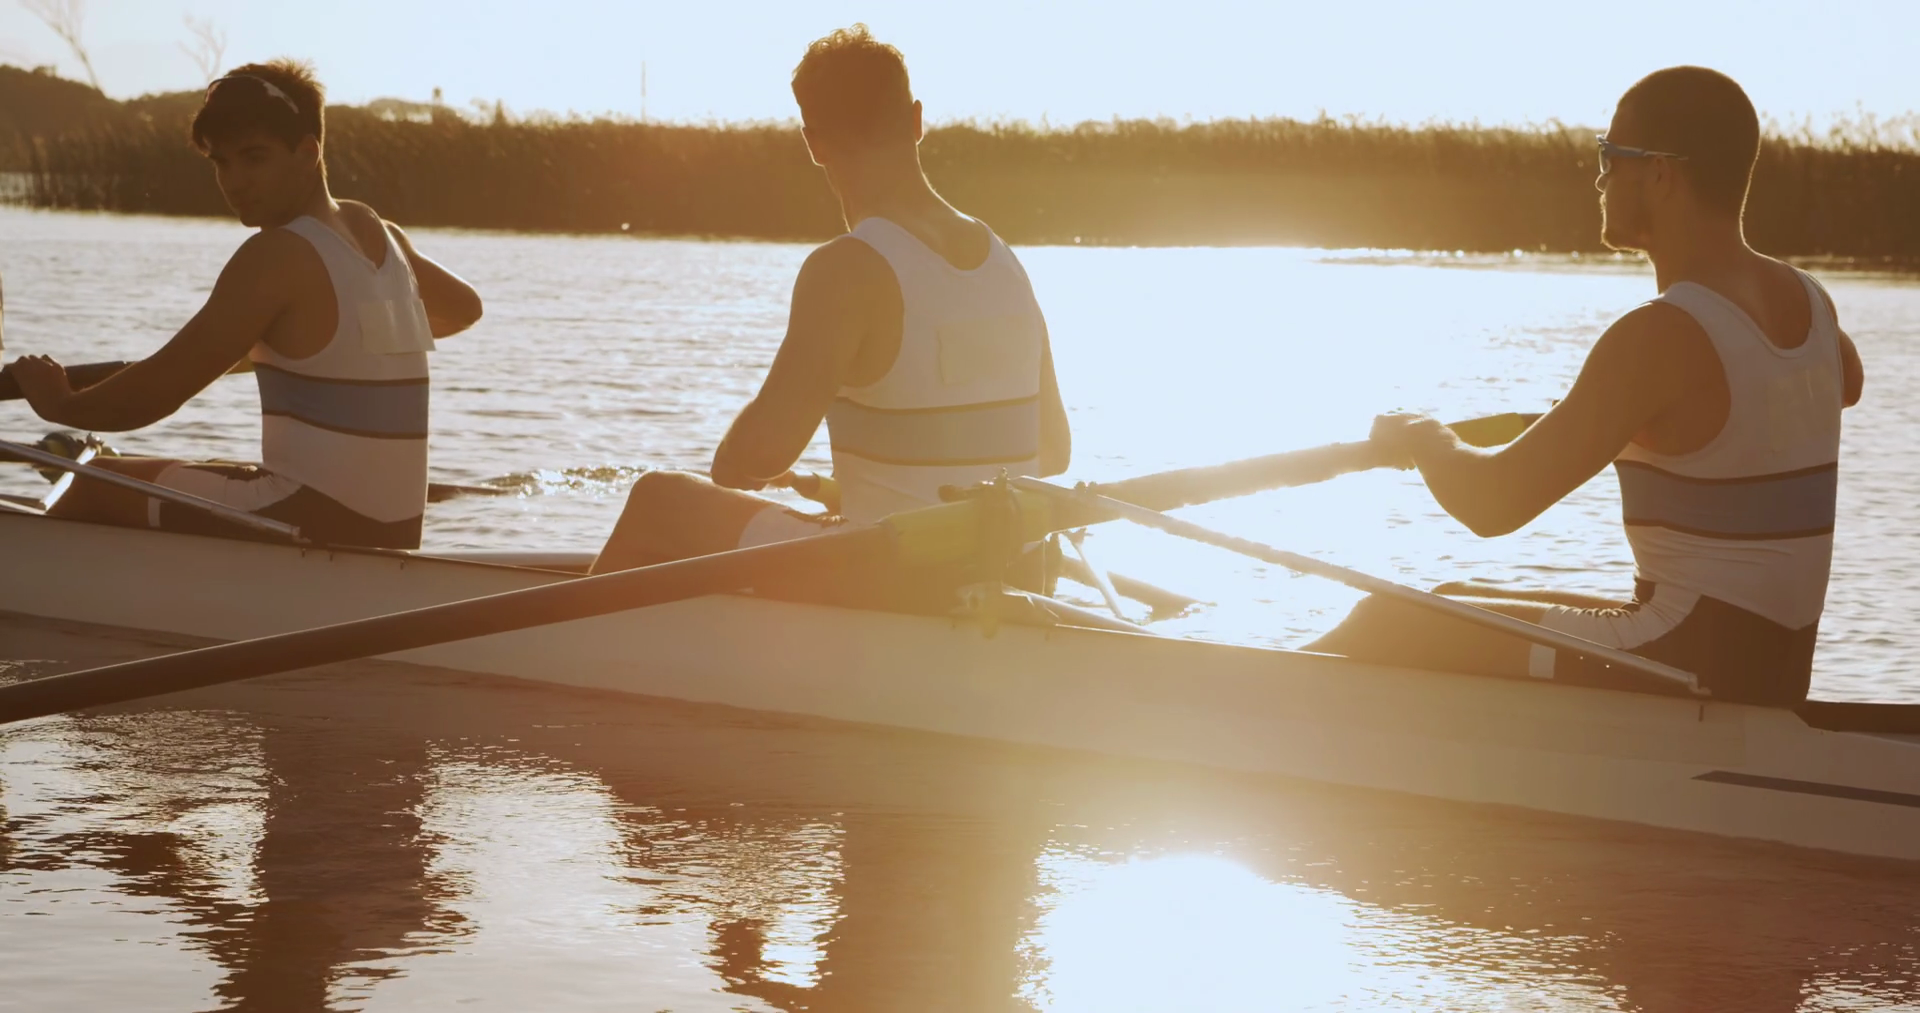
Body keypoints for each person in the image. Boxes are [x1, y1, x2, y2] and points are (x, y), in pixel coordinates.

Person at [1307, 67, 1864, 706]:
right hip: (1769, 670)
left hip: (1688, 664)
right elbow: (1843, 384)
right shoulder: (1811, 302)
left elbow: (1492, 504)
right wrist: (1621, 416)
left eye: (1609, 155)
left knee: (1389, 620)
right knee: (1449, 603)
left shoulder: (1660, 334)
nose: (1600, 178)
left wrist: (1425, 437)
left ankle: (1234, 716)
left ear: (1660, 173)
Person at [592, 25, 1070, 574]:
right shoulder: (1004, 262)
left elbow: (746, 463)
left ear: (813, 143)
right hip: (1019, 569)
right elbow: (1053, 452)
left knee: (658, 499)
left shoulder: (846, 268)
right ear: (916, 120)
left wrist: (753, 442)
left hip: (901, 579)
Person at [5, 59, 482, 549]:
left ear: (308, 152)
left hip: (316, 520)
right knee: (203, 469)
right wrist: (324, 347)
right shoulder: (380, 233)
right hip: (394, 529)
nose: (235, 181)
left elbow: (152, 396)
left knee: (91, 483)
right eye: (222, 162)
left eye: (255, 158)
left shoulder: (276, 253)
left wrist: (59, 402)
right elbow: (465, 309)